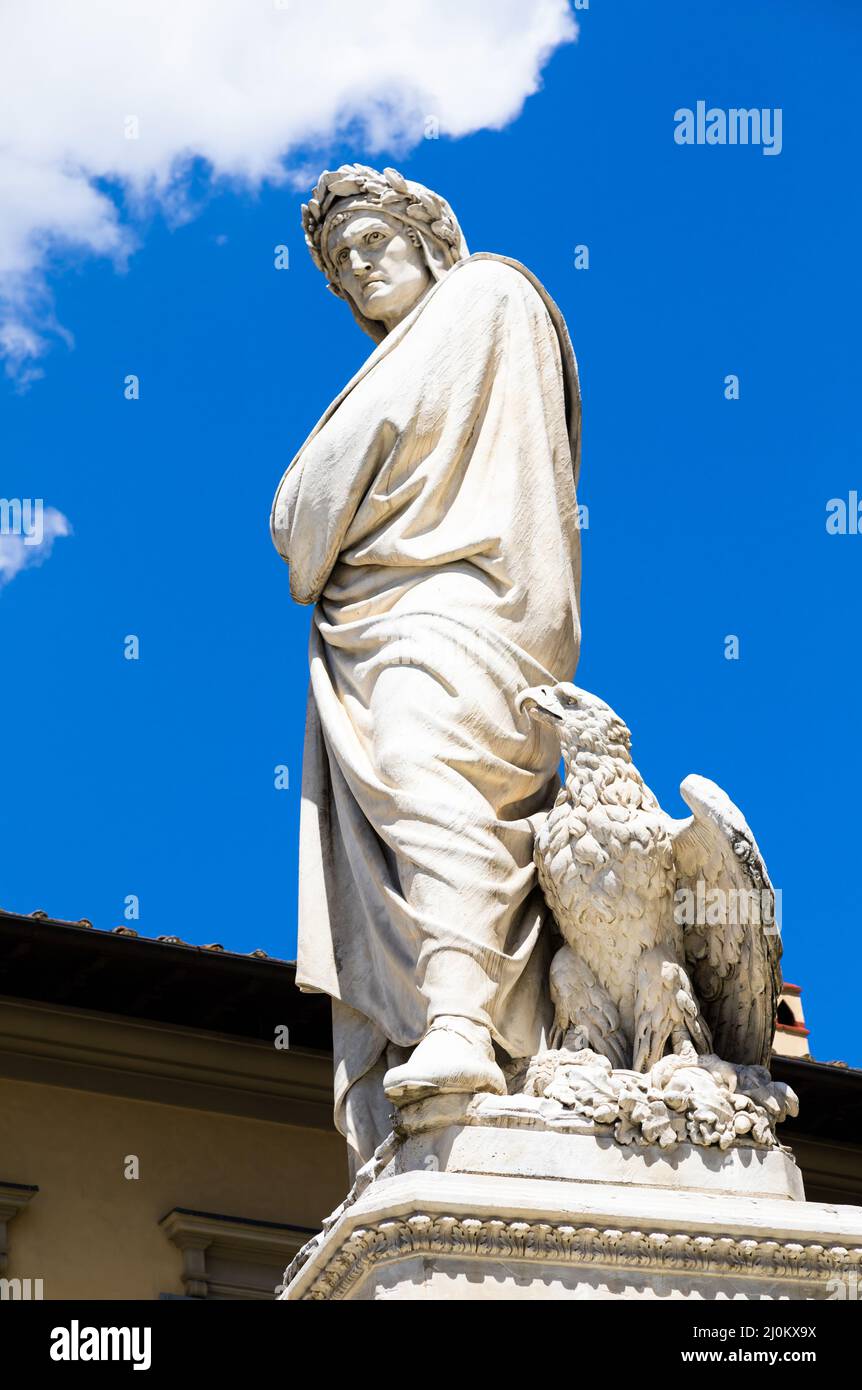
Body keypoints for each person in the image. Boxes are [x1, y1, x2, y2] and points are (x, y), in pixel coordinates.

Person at [271, 165, 582, 1173]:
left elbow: (309, 510)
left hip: (463, 603)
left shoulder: (485, 292)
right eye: (338, 263)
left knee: (420, 763)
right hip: (386, 614)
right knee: (412, 803)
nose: (358, 268)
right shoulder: (414, 345)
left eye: (371, 242)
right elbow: (306, 533)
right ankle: (458, 1027)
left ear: (427, 240)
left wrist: (304, 497)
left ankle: (456, 1018)